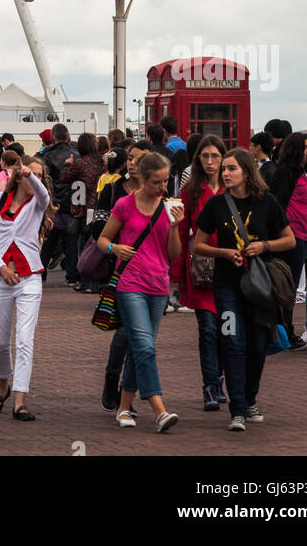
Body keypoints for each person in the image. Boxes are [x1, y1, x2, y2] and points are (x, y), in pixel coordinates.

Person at [192, 148, 295, 431]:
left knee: (258, 346)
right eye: (224, 169)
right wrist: (225, 253)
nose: (225, 173)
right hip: (227, 286)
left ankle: (250, 398)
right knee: (233, 343)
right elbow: (197, 245)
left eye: (231, 168)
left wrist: (264, 246)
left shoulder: (267, 202)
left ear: (247, 172)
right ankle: (237, 409)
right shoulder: (216, 205)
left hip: (261, 287)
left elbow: (290, 240)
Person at [97, 151, 182, 433]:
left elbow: (174, 254)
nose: (163, 187)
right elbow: (102, 239)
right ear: (143, 180)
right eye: (157, 182)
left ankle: (123, 408)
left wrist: (174, 227)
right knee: (145, 346)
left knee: (139, 349)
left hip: (159, 285)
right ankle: (159, 409)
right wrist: (115, 248)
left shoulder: (169, 207)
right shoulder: (125, 204)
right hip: (130, 283)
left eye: (165, 181)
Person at [0, 154, 51, 421]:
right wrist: (0, 265)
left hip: (29, 279)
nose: (35, 178)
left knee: (24, 340)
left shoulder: (38, 204)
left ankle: (20, 399)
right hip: (0, 278)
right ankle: (2, 387)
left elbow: (46, 197)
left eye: (40, 175)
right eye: (31, 173)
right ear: (17, 175)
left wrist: (32, 176)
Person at [98, 139, 152, 411]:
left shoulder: (157, 195)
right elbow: (95, 230)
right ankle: (113, 377)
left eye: (138, 159)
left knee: (139, 336)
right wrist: (114, 243)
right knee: (126, 332)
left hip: (150, 274)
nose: (131, 163)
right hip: (119, 271)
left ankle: (125, 390)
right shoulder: (112, 190)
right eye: (130, 158)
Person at [176, 135, 226, 409]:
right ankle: (210, 385)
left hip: (230, 269)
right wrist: (178, 275)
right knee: (207, 329)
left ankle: (218, 379)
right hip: (201, 270)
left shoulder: (233, 188)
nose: (209, 161)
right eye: (204, 156)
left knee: (225, 331)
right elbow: (182, 233)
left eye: (215, 156)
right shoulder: (191, 190)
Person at [267, 131, 307, 348]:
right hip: (290, 237)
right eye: (305, 147)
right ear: (296, 150)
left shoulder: (303, 172)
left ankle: (284, 331)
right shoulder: (286, 172)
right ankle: (285, 333)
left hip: (302, 235)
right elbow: (276, 203)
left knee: (291, 287)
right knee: (286, 286)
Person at [58, 133, 103, 291]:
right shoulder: (100, 164)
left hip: (77, 209)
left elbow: (63, 178)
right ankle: (90, 281)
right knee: (90, 243)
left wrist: (67, 164)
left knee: (72, 243)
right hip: (94, 207)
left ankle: (74, 276)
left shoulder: (78, 163)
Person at [37, 124, 75, 272]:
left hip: (52, 203)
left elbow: (44, 180)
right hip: (72, 203)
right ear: (67, 136)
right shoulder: (76, 155)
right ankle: (72, 274)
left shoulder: (47, 155)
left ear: (54, 137)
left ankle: (41, 272)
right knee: (70, 242)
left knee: (48, 241)